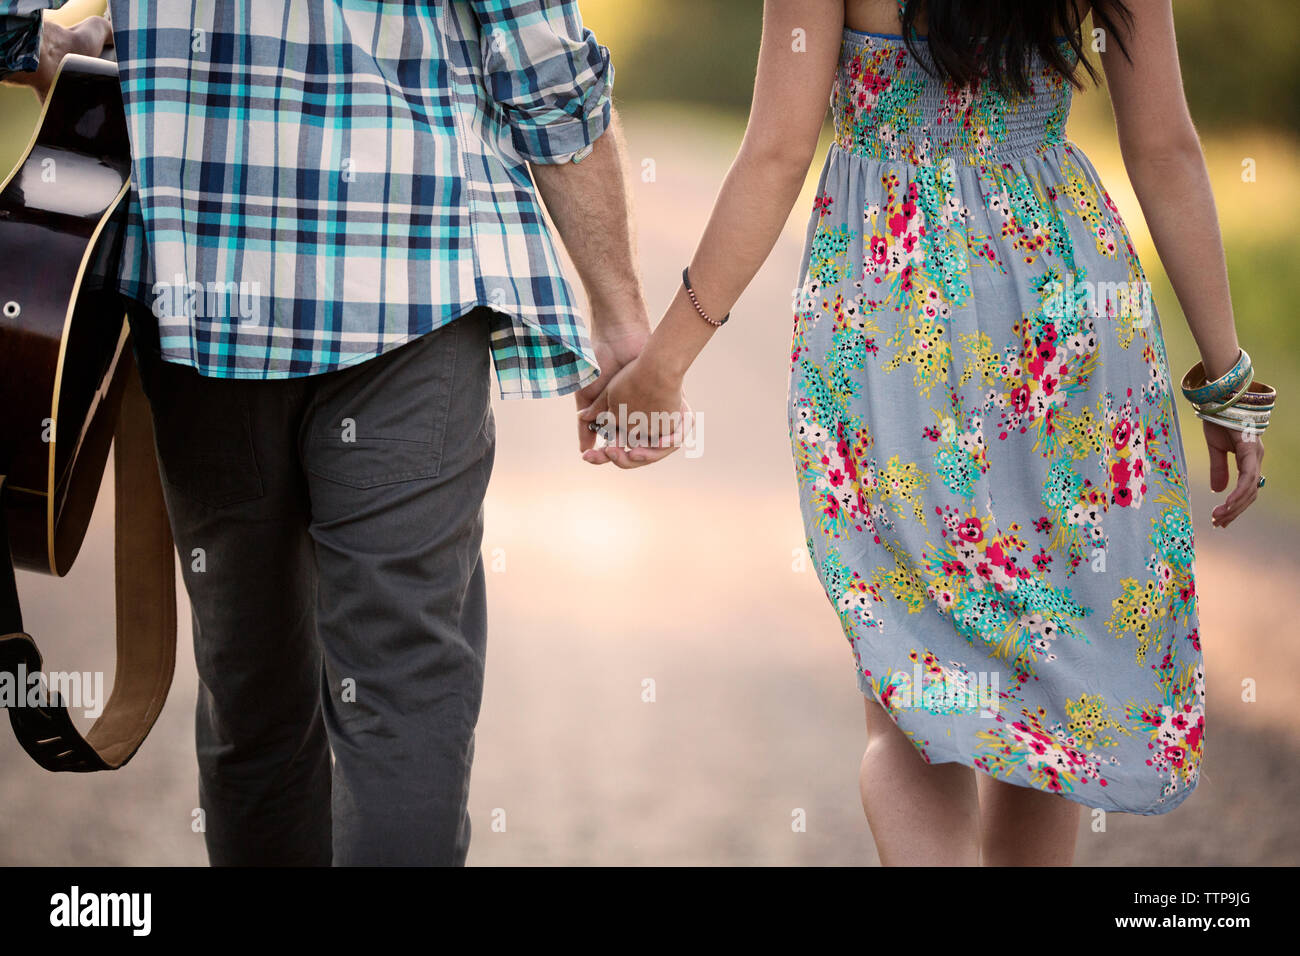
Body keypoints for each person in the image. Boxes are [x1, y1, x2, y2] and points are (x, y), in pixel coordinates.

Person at [583, 0, 1270, 865]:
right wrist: (1229, 382)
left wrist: (665, 365)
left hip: (893, 312)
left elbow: (777, 153)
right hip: (1062, 307)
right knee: (1041, 696)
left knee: (911, 703)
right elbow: (1164, 146)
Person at [1, 0, 651, 866]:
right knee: (403, 690)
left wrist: (52, 41)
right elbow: (540, 60)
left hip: (203, 301)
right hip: (410, 280)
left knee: (254, 705)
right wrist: (618, 312)